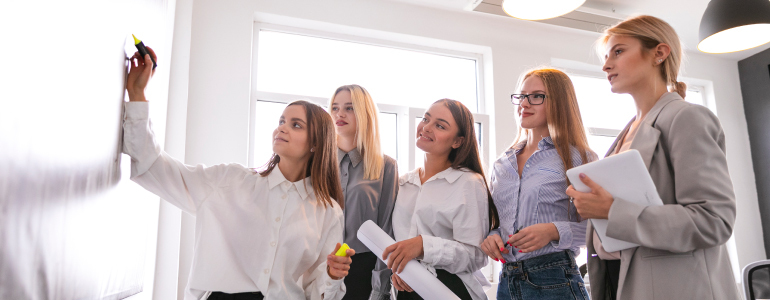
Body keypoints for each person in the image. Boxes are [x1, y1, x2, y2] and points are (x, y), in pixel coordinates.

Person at [124, 48, 354, 300]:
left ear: (316, 144)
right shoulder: (229, 181)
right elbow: (154, 167)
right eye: (281, 121)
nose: (282, 129)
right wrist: (137, 94)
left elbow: (317, 294)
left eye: (296, 125)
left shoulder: (329, 212)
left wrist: (332, 276)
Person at [566, 15, 741, 300]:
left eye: (618, 52)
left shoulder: (687, 118)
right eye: (606, 56)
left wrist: (612, 210)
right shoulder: (627, 133)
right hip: (621, 280)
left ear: (659, 53)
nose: (606, 65)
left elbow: (714, 221)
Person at [481, 68, 594, 300]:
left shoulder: (579, 158)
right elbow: (497, 221)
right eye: (521, 96)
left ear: (560, 102)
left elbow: (599, 229)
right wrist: (492, 235)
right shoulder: (502, 164)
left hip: (556, 279)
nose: (524, 104)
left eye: (536, 96)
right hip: (507, 281)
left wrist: (553, 231)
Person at [382, 99, 499, 300]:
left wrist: (423, 246)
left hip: (451, 289)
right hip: (407, 291)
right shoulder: (403, 183)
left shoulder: (469, 182)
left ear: (457, 142)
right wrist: (400, 269)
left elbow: (475, 256)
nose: (426, 127)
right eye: (425, 119)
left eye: (440, 126)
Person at [328, 85, 399, 300]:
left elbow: (386, 229)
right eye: (335, 108)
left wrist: (379, 288)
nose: (339, 114)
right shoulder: (317, 163)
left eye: (349, 108)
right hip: (321, 264)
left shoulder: (386, 166)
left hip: (363, 269)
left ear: (364, 114)